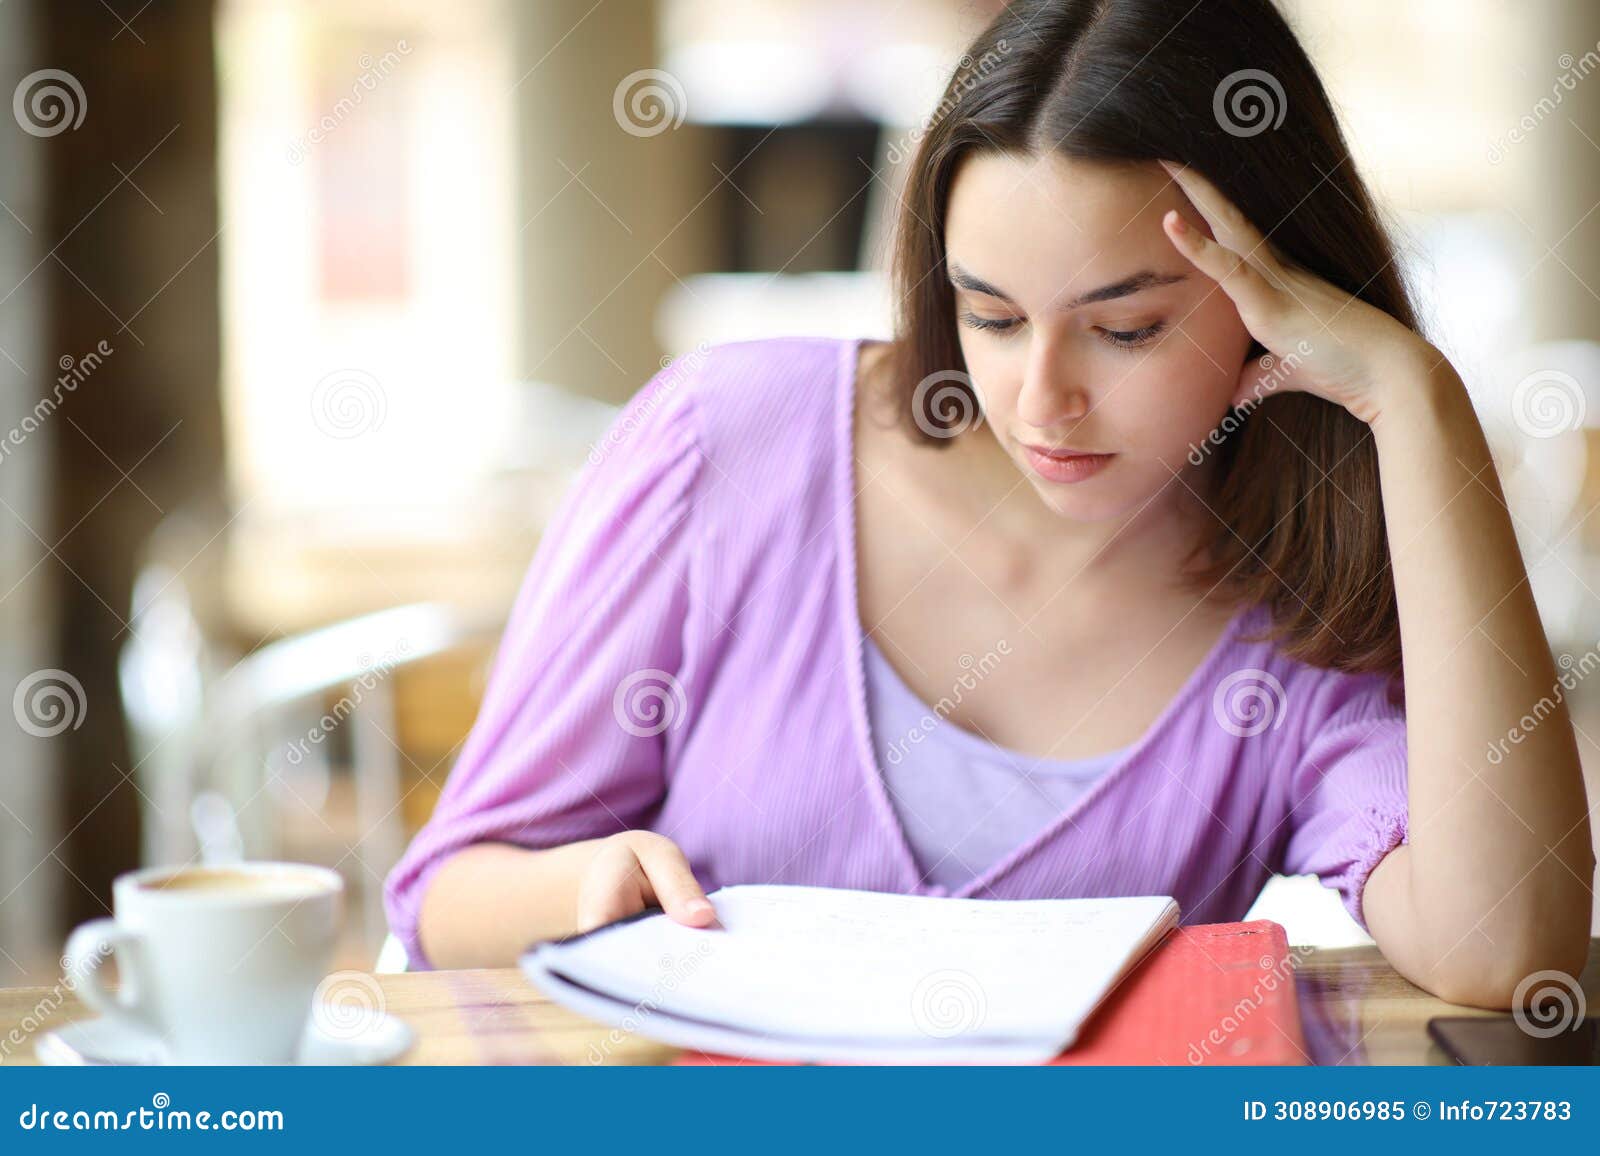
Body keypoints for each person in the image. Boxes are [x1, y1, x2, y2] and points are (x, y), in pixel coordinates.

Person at [385, 0, 1594, 1008]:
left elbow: (1505, 947)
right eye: (993, 316)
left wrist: (1412, 397)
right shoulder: (727, 444)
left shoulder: (1299, 605)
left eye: (1125, 328)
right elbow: (443, 896)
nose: (1041, 400)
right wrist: (583, 887)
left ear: (1277, 297)